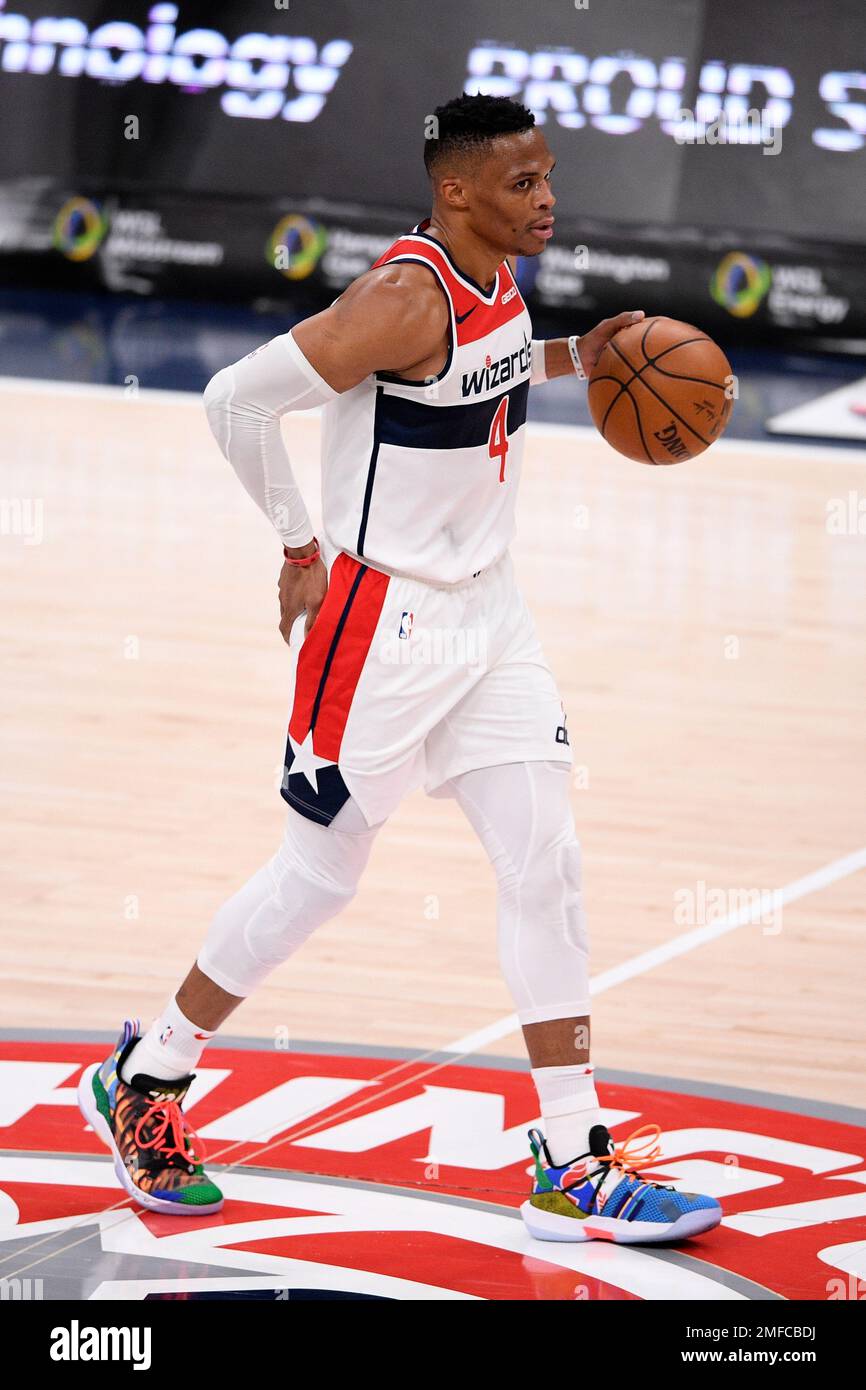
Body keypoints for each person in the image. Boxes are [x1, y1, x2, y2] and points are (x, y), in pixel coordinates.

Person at [79, 94, 721, 1244]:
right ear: (455, 190)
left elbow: (495, 369)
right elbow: (235, 403)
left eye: (548, 177)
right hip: (379, 631)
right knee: (317, 880)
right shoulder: (400, 295)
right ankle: (150, 1075)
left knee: (546, 861)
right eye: (522, 183)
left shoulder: (496, 278)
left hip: (492, 618)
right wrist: (294, 542)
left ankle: (572, 1157)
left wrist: (593, 357)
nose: (547, 199)